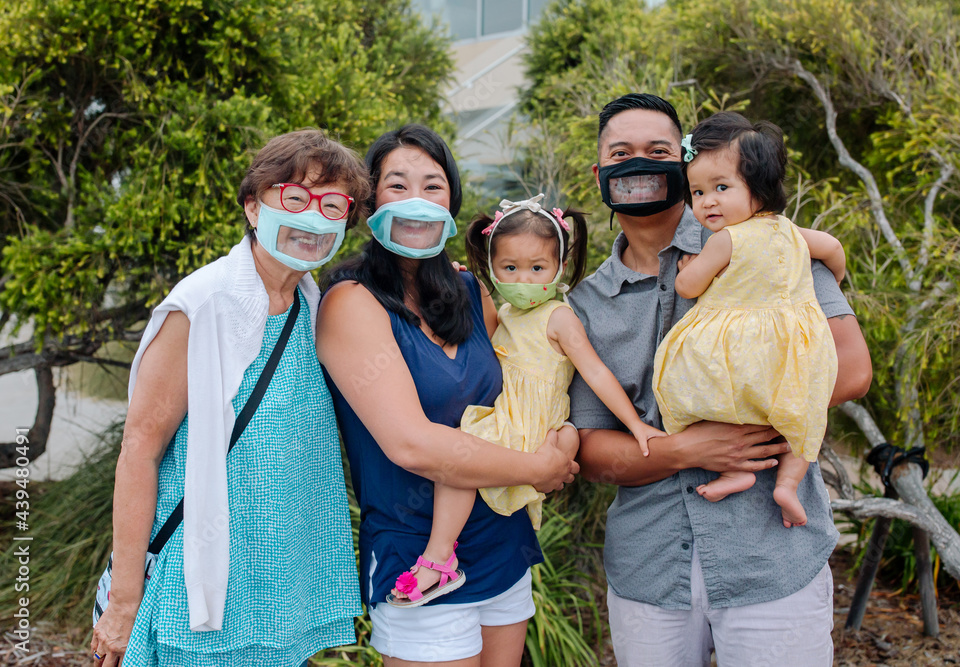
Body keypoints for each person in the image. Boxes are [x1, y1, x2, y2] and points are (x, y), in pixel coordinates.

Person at [567, 94, 872, 666]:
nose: (639, 164)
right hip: (649, 566)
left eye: (658, 151)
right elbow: (592, 451)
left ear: (684, 165)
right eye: (621, 152)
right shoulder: (585, 304)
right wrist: (686, 449)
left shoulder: (769, 244)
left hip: (771, 556)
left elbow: (852, 369)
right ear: (600, 170)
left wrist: (746, 416)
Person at [89, 129, 368, 667]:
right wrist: (124, 600)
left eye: (333, 204)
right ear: (253, 205)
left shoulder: (313, 305)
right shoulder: (201, 305)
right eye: (295, 197)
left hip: (278, 579)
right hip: (197, 578)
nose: (314, 218)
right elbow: (140, 450)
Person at [317, 125, 578, 666]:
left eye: (433, 186)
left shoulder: (470, 290)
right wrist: (537, 466)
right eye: (397, 185)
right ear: (370, 201)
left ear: (453, 202)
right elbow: (412, 445)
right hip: (419, 557)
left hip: (499, 537)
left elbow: (526, 375)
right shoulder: (351, 301)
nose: (417, 200)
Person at [387, 194, 666, 607]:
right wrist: (457, 277)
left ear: (560, 267)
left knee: (458, 462)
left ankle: (437, 558)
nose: (524, 281)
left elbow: (596, 372)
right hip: (512, 414)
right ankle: (445, 557)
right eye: (510, 269)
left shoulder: (559, 317)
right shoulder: (508, 312)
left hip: (530, 423)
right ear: (493, 268)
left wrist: (636, 423)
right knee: (461, 456)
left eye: (538, 269)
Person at [652, 111, 847, 529]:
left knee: (711, 396)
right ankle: (788, 484)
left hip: (739, 356)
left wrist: (688, 266)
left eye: (722, 188)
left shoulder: (725, 240)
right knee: (805, 413)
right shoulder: (791, 233)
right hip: (792, 354)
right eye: (698, 192)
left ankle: (737, 471)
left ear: (757, 188)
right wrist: (831, 279)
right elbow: (832, 248)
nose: (708, 201)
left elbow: (688, 288)